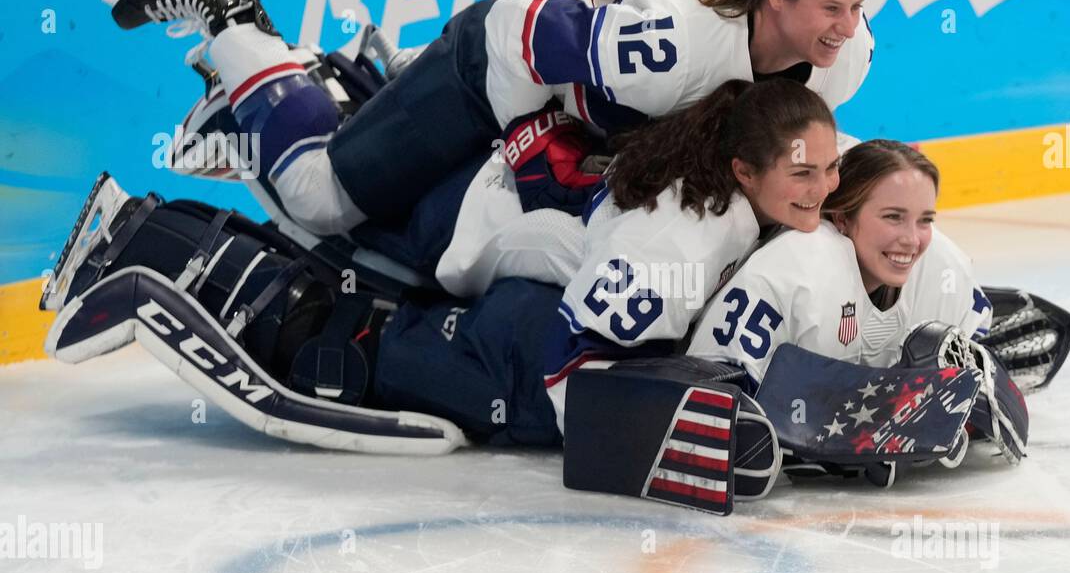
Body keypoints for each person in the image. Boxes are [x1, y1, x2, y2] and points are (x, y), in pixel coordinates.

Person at [42, 79, 840, 454]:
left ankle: (249, 124)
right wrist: (680, 436)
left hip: (494, 213)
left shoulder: (730, 180)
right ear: (743, 170)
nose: (822, 189)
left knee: (339, 268)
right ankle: (143, 231)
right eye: (803, 174)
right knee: (341, 333)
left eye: (829, 171)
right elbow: (574, 374)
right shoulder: (683, 240)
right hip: (473, 246)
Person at [103, 0, 874, 252]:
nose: (847, 27)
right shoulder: (679, 45)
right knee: (322, 201)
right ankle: (229, 8)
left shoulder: (845, 58)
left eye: (856, 7)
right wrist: (509, 134)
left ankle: (328, 87)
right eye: (830, 8)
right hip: (489, 72)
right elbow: (534, 41)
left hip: (551, 103)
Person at [687, 139, 991, 389]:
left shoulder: (944, 266)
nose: (912, 240)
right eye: (893, 217)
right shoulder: (791, 271)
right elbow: (717, 387)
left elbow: (977, 356)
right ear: (843, 218)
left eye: (925, 220)